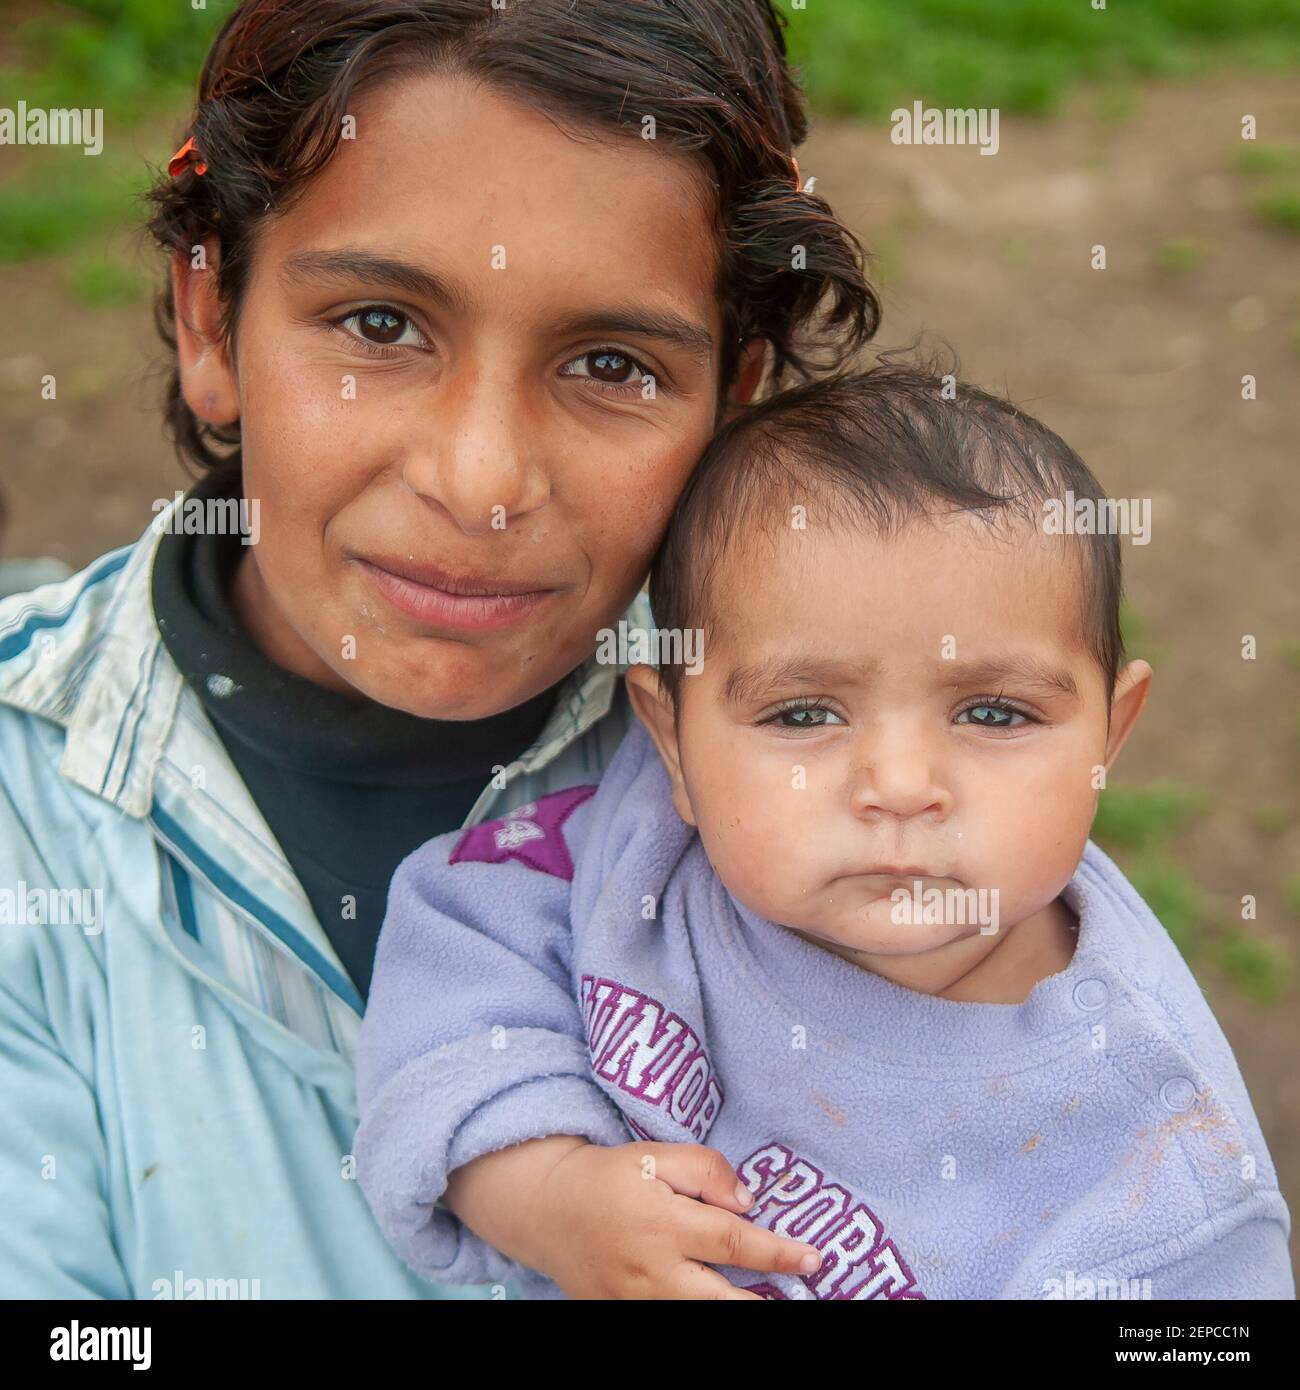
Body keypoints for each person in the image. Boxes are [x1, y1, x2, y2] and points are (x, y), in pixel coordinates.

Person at [0, 0, 877, 1298]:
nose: (481, 484)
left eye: (610, 362)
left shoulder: (867, 768)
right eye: (378, 326)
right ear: (209, 316)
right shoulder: (27, 806)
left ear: (732, 397)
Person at [355, 365, 1294, 1300]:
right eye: (803, 714)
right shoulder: (617, 861)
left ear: (1109, 736)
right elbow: (448, 1008)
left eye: (996, 714)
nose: (899, 787)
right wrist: (556, 1197)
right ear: (673, 741)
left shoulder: (1157, 1150)